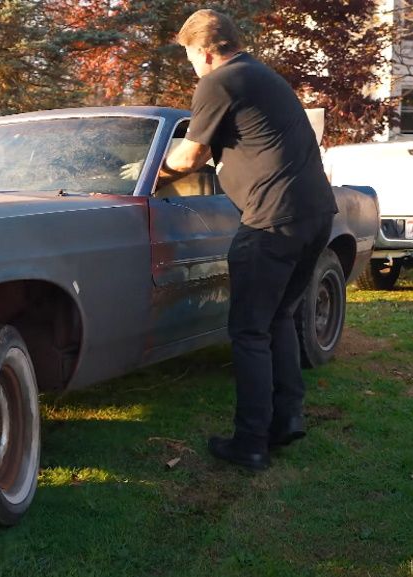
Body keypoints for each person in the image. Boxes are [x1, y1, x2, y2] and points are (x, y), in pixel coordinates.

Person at [162, 9, 338, 470]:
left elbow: (192, 154)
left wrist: (154, 172)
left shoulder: (220, 81)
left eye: (189, 58)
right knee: (279, 317)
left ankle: (250, 442)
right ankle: (286, 419)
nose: (192, 68)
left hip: (270, 222)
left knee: (248, 330)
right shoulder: (262, 77)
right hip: (314, 215)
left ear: (204, 50)